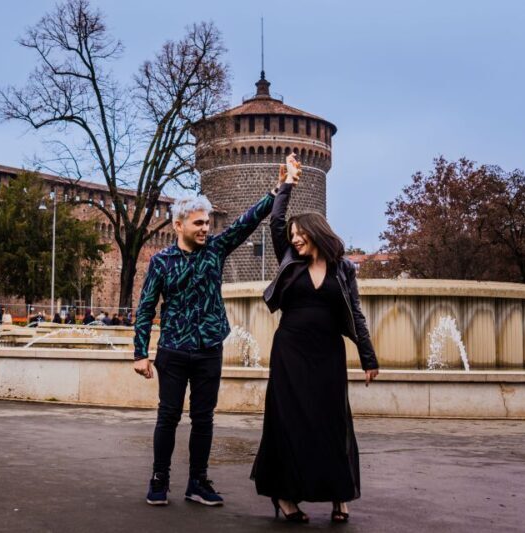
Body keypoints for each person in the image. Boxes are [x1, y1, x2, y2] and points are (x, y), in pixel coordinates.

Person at [133, 177, 281, 507]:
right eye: (199, 223)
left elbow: (246, 222)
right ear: (179, 224)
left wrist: (275, 192)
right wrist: (140, 353)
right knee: (167, 417)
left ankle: (197, 481)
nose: (205, 228)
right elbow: (145, 307)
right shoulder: (161, 262)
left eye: (207, 222)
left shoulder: (215, 249)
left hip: (208, 349)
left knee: (204, 419)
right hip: (172, 349)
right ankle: (159, 478)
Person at [251, 154, 380, 523]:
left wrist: (368, 358)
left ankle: (340, 496)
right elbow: (277, 220)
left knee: (332, 419)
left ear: (316, 231)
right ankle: (286, 498)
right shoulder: (290, 259)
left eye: (299, 234)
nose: (294, 239)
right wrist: (289, 181)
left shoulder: (342, 268)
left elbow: (355, 312)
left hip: (327, 353)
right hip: (290, 349)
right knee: (289, 420)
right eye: (292, 236)